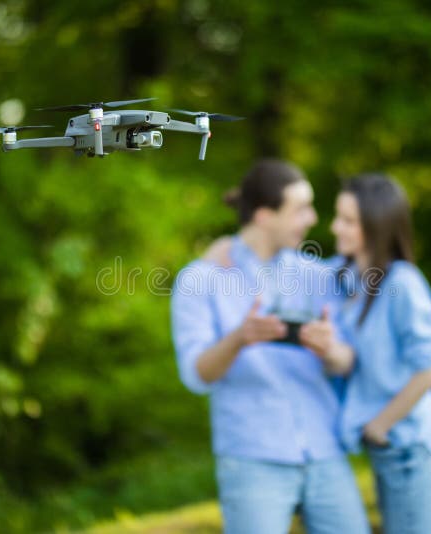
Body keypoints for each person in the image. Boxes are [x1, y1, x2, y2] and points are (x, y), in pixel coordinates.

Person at [170, 159, 369, 534]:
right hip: (252, 456)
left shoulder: (317, 275)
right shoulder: (199, 280)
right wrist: (239, 338)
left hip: (324, 449)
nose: (312, 219)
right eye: (300, 210)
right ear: (264, 216)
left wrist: (329, 349)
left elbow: (346, 361)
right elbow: (196, 376)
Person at [332, 173, 431, 534]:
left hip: (412, 450)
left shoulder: (402, 283)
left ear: (376, 225)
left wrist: (378, 426)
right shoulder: (351, 279)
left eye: (347, 220)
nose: (334, 227)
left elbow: (429, 372)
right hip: (387, 450)